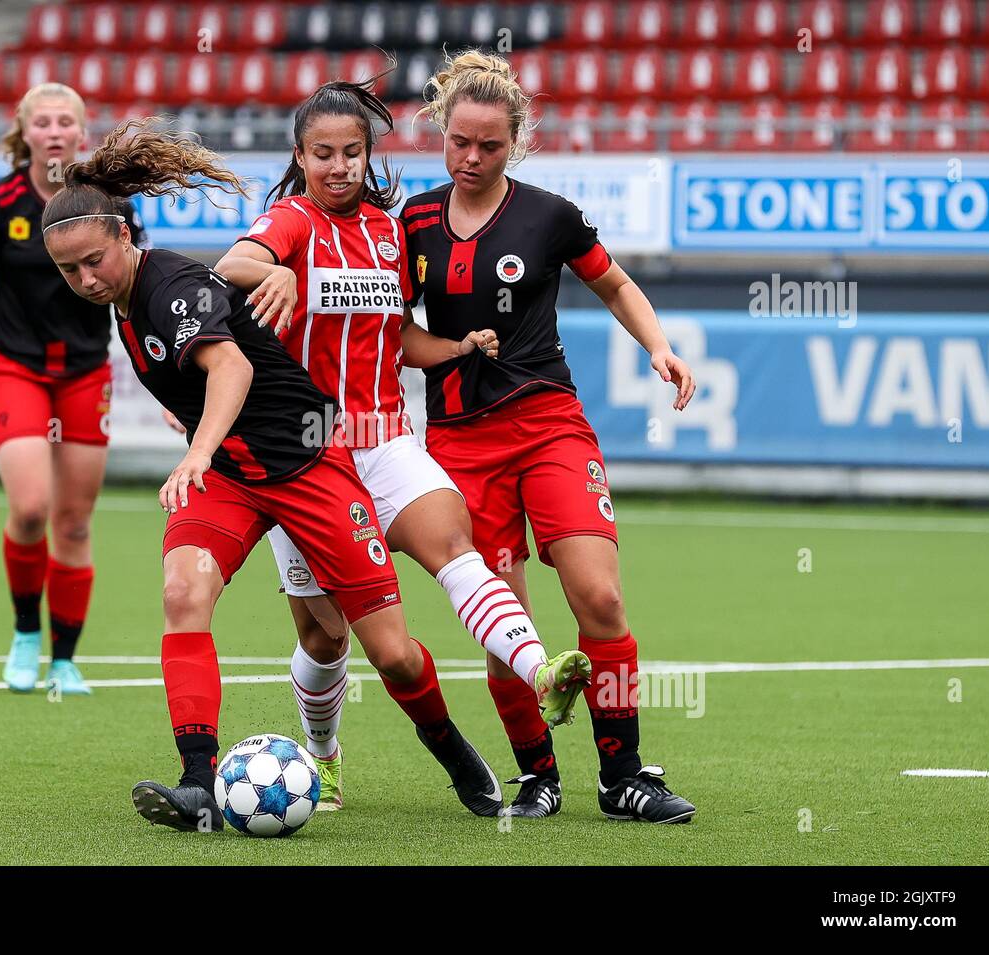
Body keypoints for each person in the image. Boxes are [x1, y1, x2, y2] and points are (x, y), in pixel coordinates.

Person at [40, 118, 515, 830]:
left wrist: (197, 450)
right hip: (236, 475)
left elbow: (228, 365)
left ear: (125, 238)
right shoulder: (127, 301)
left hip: (308, 461)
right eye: (68, 270)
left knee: (393, 654)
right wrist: (208, 448)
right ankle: (197, 784)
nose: (84, 279)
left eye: (93, 261)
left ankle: (447, 743)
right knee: (183, 590)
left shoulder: (170, 286)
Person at [214, 77, 590, 817]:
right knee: (326, 638)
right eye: (323, 154)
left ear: (369, 155)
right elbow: (232, 267)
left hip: (384, 437)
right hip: (308, 453)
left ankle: (540, 669)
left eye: (352, 152)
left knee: (456, 547)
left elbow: (397, 336)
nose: (339, 167)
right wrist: (279, 273)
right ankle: (322, 757)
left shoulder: (391, 233)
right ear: (300, 156)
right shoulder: (289, 221)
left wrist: (454, 347)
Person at [400, 50, 698, 823]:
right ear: (440, 131)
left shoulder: (549, 216)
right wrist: (453, 351)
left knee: (598, 595)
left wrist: (657, 345)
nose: (470, 158)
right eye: (458, 142)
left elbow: (616, 283)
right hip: (461, 443)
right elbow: (394, 336)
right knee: (506, 627)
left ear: (516, 142)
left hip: (549, 426)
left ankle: (622, 773)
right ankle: (538, 775)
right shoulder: (413, 224)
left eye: (489, 146)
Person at [0, 83, 150, 695]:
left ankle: (64, 659)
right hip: (14, 367)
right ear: (26, 133)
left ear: (82, 134)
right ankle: (24, 635)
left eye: (67, 121)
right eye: (44, 122)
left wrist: (171, 383)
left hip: (84, 372)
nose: (56, 131)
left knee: (75, 522)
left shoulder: (105, 201)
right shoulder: (0, 201)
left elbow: (133, 290)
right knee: (32, 507)